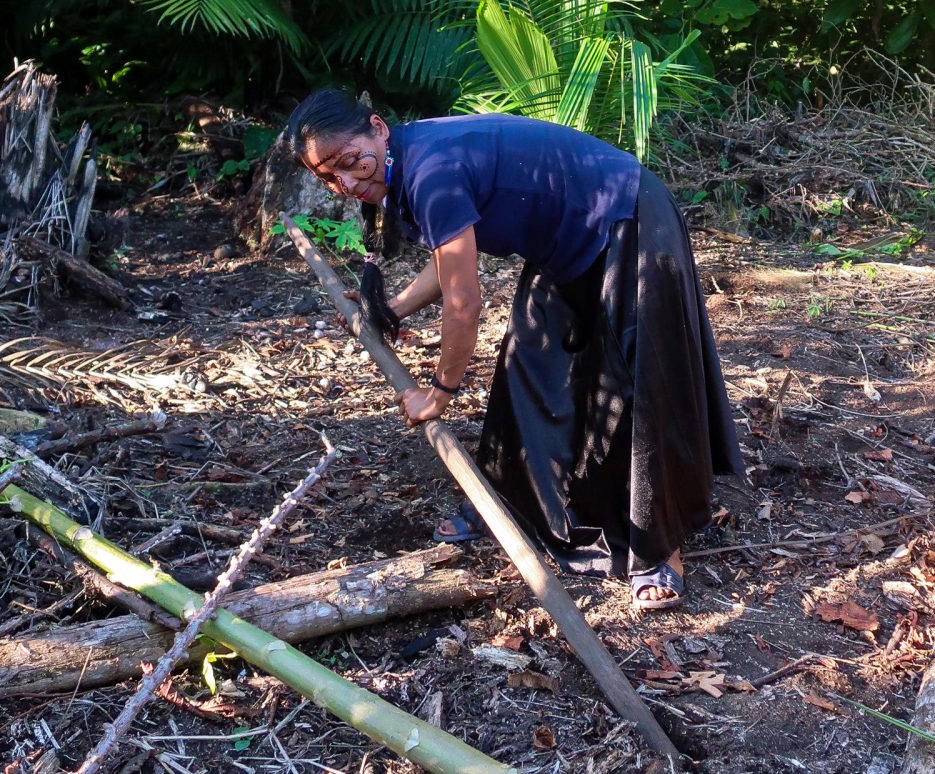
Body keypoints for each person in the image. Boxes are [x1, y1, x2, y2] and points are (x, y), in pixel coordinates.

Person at [285, 90, 741, 611]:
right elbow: (446, 260)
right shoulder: (405, 161)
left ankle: (660, 550)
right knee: (529, 364)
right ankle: (515, 503)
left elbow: (463, 300)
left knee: (639, 384)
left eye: (348, 162)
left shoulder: (431, 170)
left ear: (378, 128)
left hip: (627, 217)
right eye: (327, 178)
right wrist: (392, 308)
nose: (345, 183)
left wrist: (440, 391)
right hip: (565, 244)